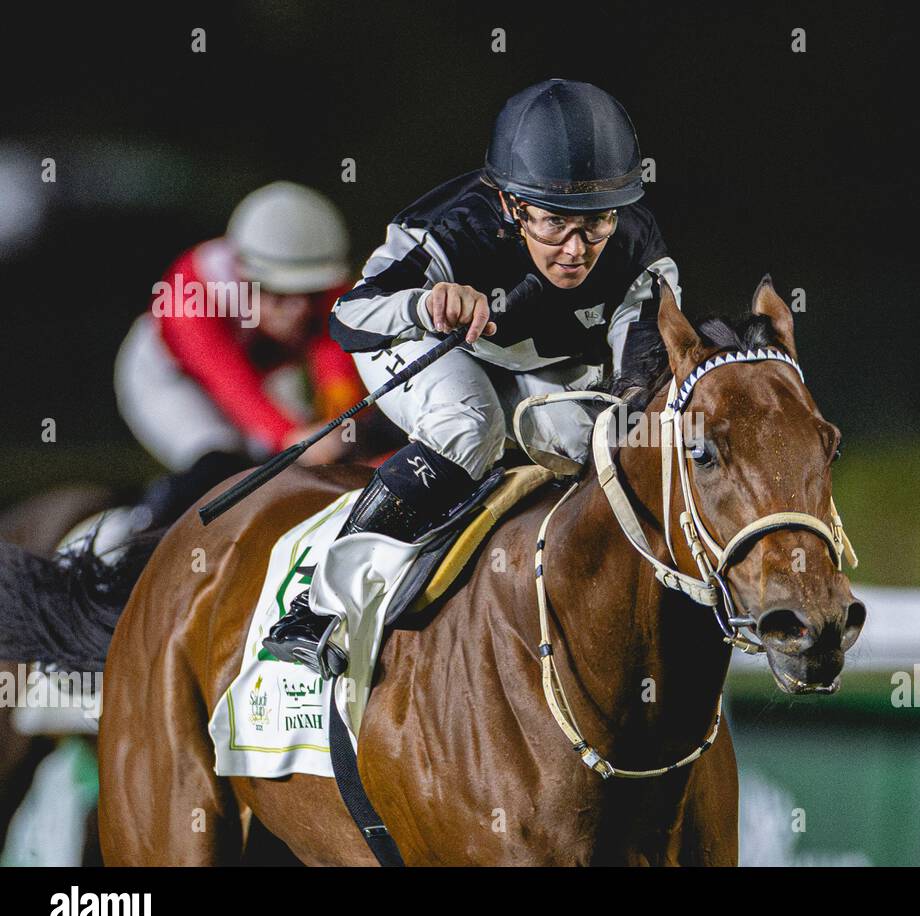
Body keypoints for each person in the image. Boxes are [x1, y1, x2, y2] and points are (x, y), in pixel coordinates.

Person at [263, 79, 681, 670]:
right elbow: (349, 319)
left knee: (594, 438)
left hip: (528, 357)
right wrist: (424, 304)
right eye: (554, 221)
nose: (577, 249)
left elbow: (639, 365)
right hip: (418, 339)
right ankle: (317, 608)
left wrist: (629, 419)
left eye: (596, 222)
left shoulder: (638, 244)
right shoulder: (456, 230)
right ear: (511, 205)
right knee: (469, 423)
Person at [115, 182, 366, 528]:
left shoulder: (321, 277)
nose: (300, 310)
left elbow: (336, 363)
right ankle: (133, 534)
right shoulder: (192, 291)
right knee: (219, 461)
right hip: (172, 380)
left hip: (262, 373)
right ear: (243, 277)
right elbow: (230, 383)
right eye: (280, 295)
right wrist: (291, 435)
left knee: (290, 462)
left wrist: (340, 424)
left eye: (311, 295)